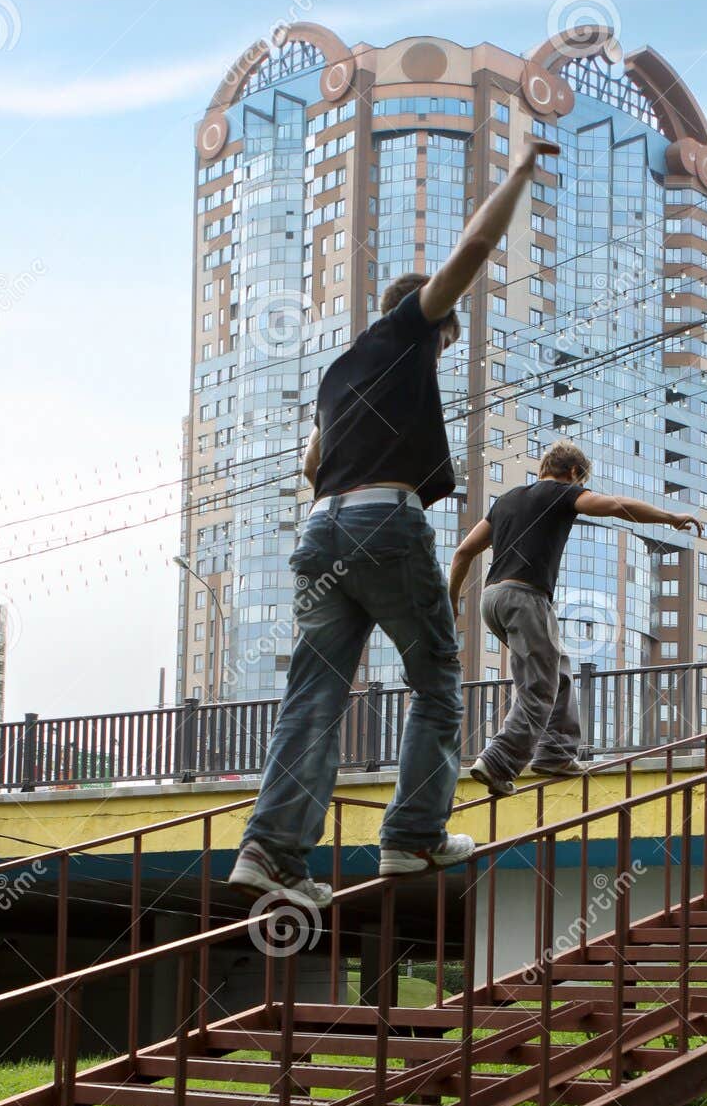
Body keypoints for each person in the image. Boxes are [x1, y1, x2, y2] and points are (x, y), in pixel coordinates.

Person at [229, 137, 562, 904]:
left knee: (313, 694)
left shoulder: (338, 371)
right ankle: (412, 839)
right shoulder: (410, 328)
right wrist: (516, 173)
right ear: (430, 323)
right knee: (438, 683)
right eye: (445, 342)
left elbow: (313, 466)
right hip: (385, 524)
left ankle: (272, 851)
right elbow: (473, 247)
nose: (442, 354)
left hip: (323, 532)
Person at [448, 441, 702, 796]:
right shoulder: (563, 492)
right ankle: (498, 761)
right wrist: (669, 518)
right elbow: (616, 507)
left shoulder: (506, 501)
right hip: (526, 598)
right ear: (572, 474)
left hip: (492, 600)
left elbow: (463, 552)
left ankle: (555, 752)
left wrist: (453, 601)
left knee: (557, 671)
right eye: (581, 483)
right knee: (537, 688)